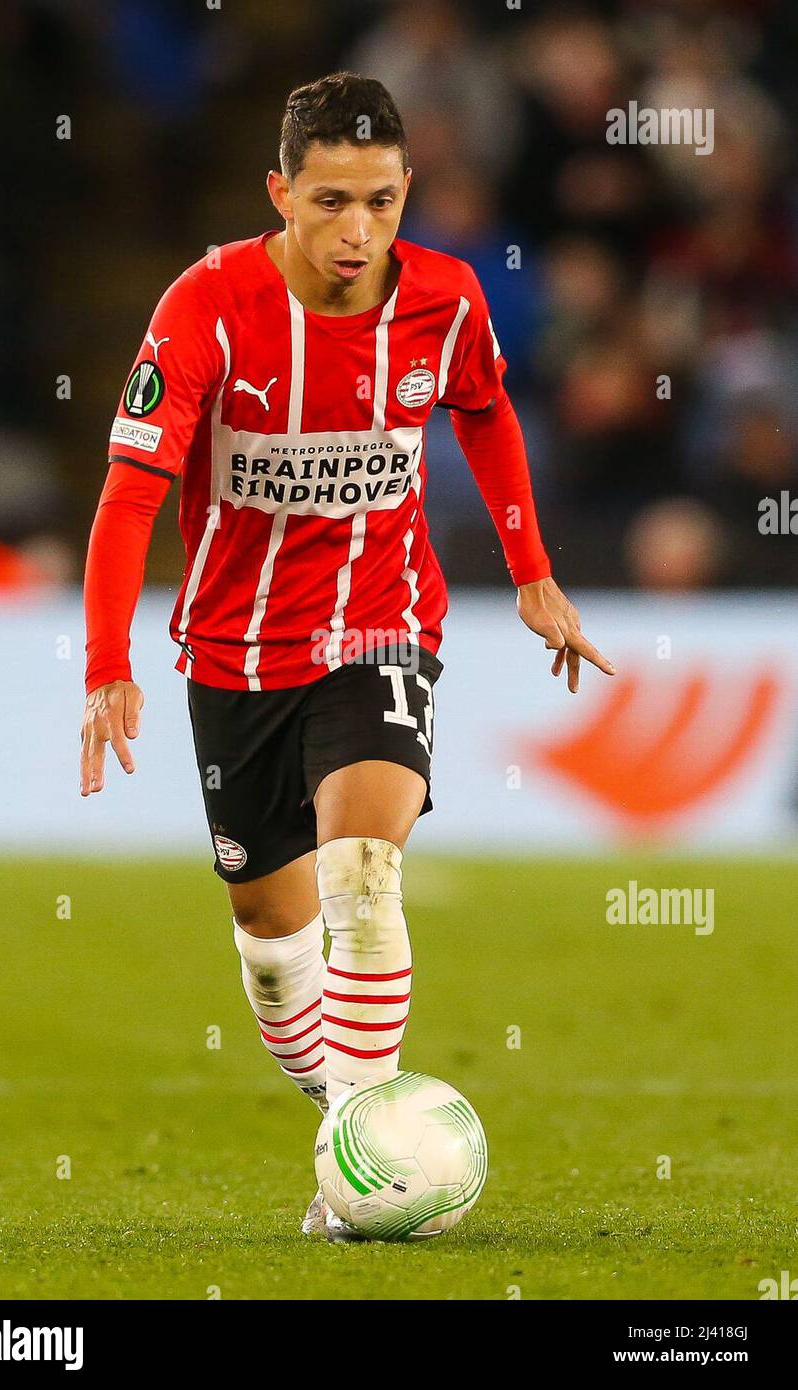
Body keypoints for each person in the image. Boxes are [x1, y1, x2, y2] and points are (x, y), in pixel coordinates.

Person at [80, 71, 614, 1240]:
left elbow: (481, 408)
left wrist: (530, 571)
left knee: (363, 873)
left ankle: (359, 1176)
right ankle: (349, 1118)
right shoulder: (205, 308)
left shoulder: (446, 299)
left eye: (379, 199)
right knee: (275, 952)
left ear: (406, 189)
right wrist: (105, 662)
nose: (356, 228)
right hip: (232, 651)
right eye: (328, 200)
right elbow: (131, 493)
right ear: (279, 192)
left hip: (382, 625)